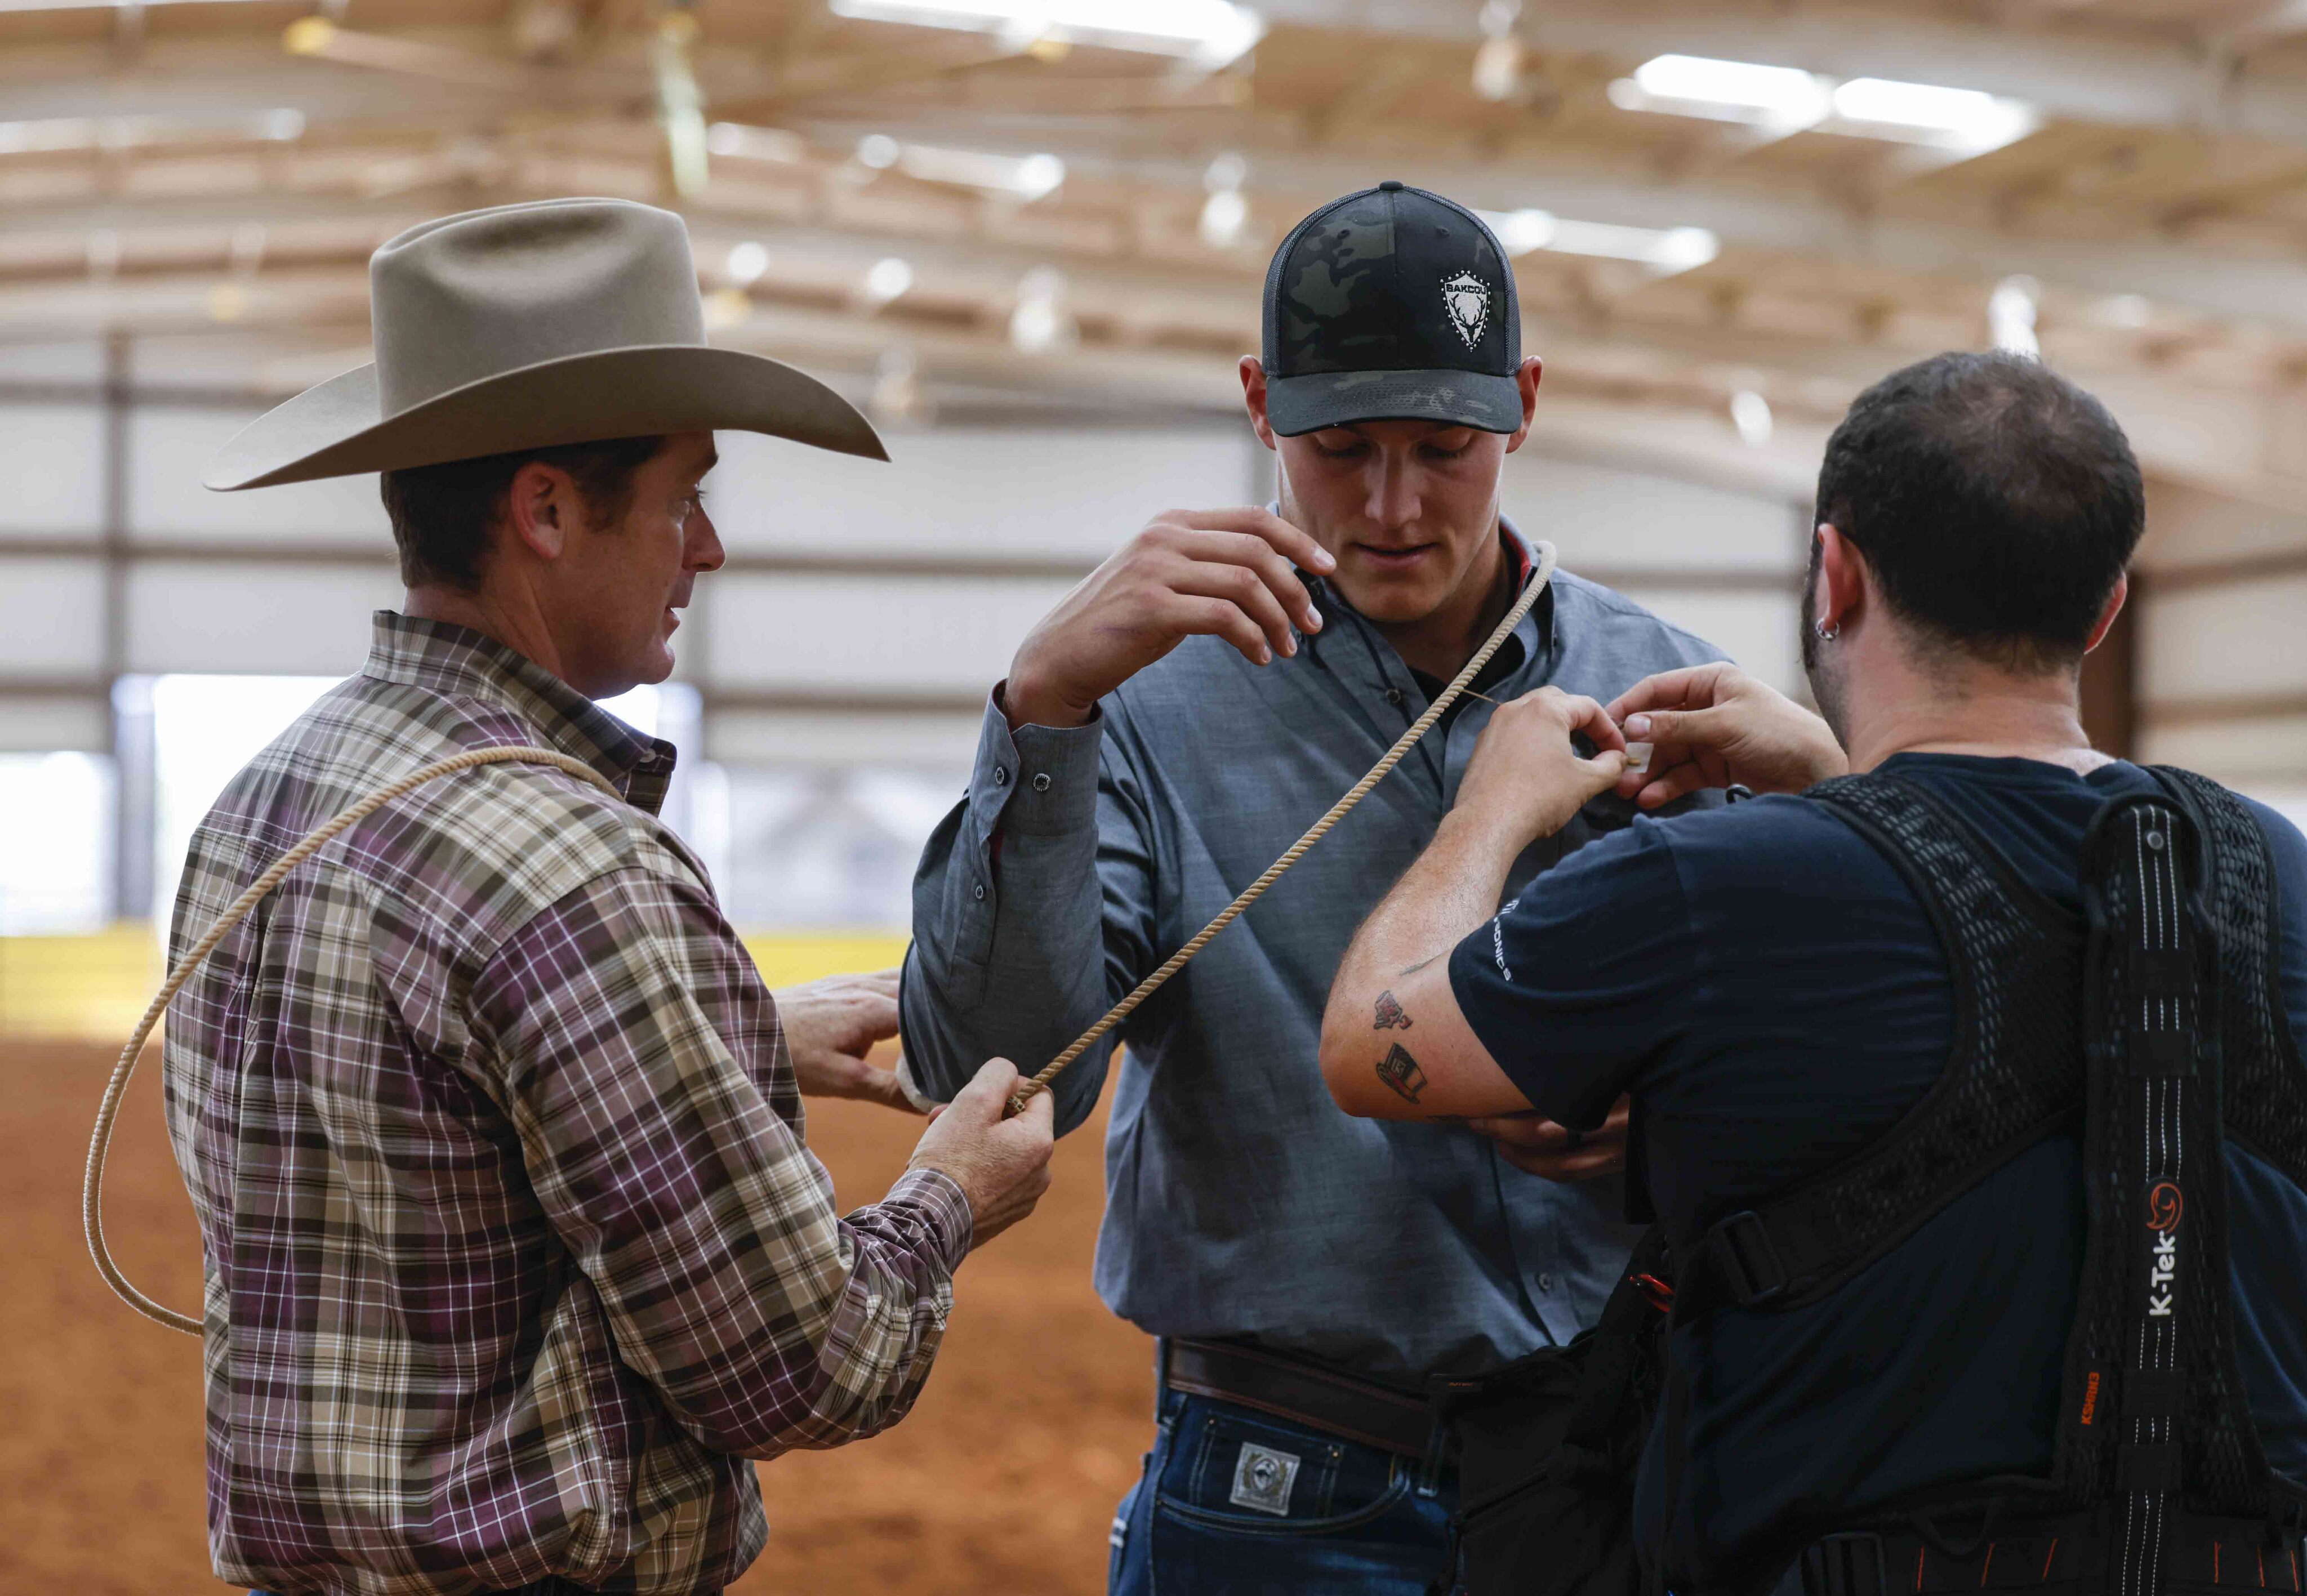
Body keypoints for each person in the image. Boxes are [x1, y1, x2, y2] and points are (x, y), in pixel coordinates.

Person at [168, 198, 1054, 1596]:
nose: (705, 547)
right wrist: (949, 1192)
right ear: (545, 510)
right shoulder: (577, 876)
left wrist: (735, 1026)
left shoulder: (265, 802)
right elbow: (804, 1364)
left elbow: (422, 1110)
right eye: (683, 495)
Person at [1319, 350, 2307, 1595]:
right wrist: (1845, 781)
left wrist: (1492, 806)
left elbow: (1370, 1041)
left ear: (1832, 575)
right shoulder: (2271, 870)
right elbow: (2014, 952)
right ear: (2104, 606)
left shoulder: (1708, 885)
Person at [901, 180, 1727, 1592]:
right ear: (1256, 403)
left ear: (1521, 403)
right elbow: (1002, 1068)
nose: (1391, 505)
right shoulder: (1146, 694)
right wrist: (1042, 711)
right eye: (1338, 448)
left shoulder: (1667, 684)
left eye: (1443, 447)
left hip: (1613, 1458)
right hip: (1274, 1488)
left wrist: (1670, 1115)